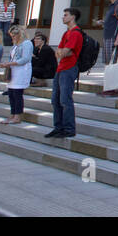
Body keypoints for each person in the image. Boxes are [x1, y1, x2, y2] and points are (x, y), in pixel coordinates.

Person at [47, 8, 83, 139]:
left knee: (65, 99)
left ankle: (69, 128)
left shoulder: (75, 33)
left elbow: (64, 52)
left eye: (66, 15)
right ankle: (58, 127)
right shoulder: (66, 33)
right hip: (60, 68)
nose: (63, 17)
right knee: (55, 99)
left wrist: (62, 52)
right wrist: (62, 52)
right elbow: (59, 52)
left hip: (69, 68)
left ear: (72, 17)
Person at [3, 26, 33, 124]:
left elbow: (25, 59)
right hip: (14, 70)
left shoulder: (27, 43)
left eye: (14, 36)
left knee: (17, 94)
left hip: (21, 71)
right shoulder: (15, 45)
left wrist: (10, 64)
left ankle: (17, 116)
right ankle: (12, 114)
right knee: (11, 94)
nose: (13, 38)